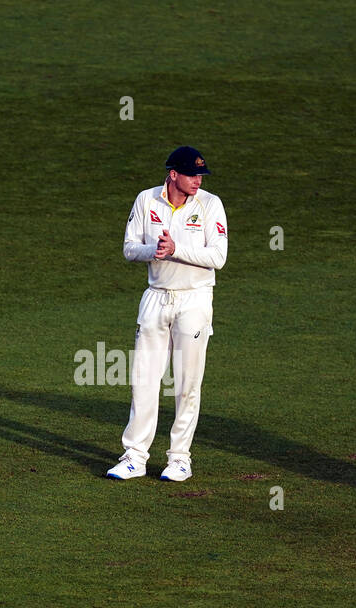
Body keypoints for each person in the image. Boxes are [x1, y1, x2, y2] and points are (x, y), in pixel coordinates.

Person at [107, 146, 228, 482]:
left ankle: (179, 459)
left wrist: (176, 250)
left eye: (201, 175)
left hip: (195, 299)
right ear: (173, 174)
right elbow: (130, 248)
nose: (197, 181)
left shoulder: (210, 204)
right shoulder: (146, 200)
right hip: (156, 298)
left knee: (187, 384)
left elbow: (218, 257)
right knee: (143, 380)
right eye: (192, 174)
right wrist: (155, 251)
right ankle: (134, 456)